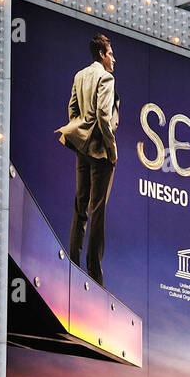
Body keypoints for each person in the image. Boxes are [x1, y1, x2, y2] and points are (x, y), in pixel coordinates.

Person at [60, 32, 120, 288]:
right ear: (102, 54)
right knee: (98, 211)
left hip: (82, 149)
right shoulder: (106, 77)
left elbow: (72, 110)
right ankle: (95, 273)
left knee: (80, 206)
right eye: (111, 54)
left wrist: (81, 135)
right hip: (100, 151)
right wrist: (112, 149)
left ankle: (73, 264)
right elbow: (104, 116)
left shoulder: (79, 75)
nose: (114, 59)